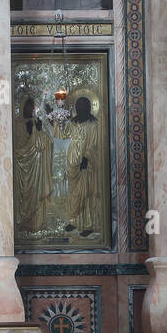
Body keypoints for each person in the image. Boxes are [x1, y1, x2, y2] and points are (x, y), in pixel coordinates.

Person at [64, 95, 103, 237]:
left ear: (88, 107)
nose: (80, 108)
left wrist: (87, 157)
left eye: (83, 105)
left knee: (86, 192)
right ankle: (74, 221)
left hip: (87, 163)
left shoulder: (94, 124)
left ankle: (89, 224)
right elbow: (62, 133)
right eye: (77, 106)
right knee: (74, 192)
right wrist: (53, 120)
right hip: (72, 160)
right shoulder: (73, 122)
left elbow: (96, 143)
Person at [13, 96, 52, 233]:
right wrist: (29, 132)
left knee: (36, 196)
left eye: (32, 106)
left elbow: (45, 143)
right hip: (21, 168)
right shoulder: (16, 124)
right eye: (28, 106)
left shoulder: (36, 122)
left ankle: (36, 225)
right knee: (22, 196)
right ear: (23, 107)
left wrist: (38, 130)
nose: (30, 109)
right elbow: (16, 148)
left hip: (37, 167)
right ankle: (21, 223)